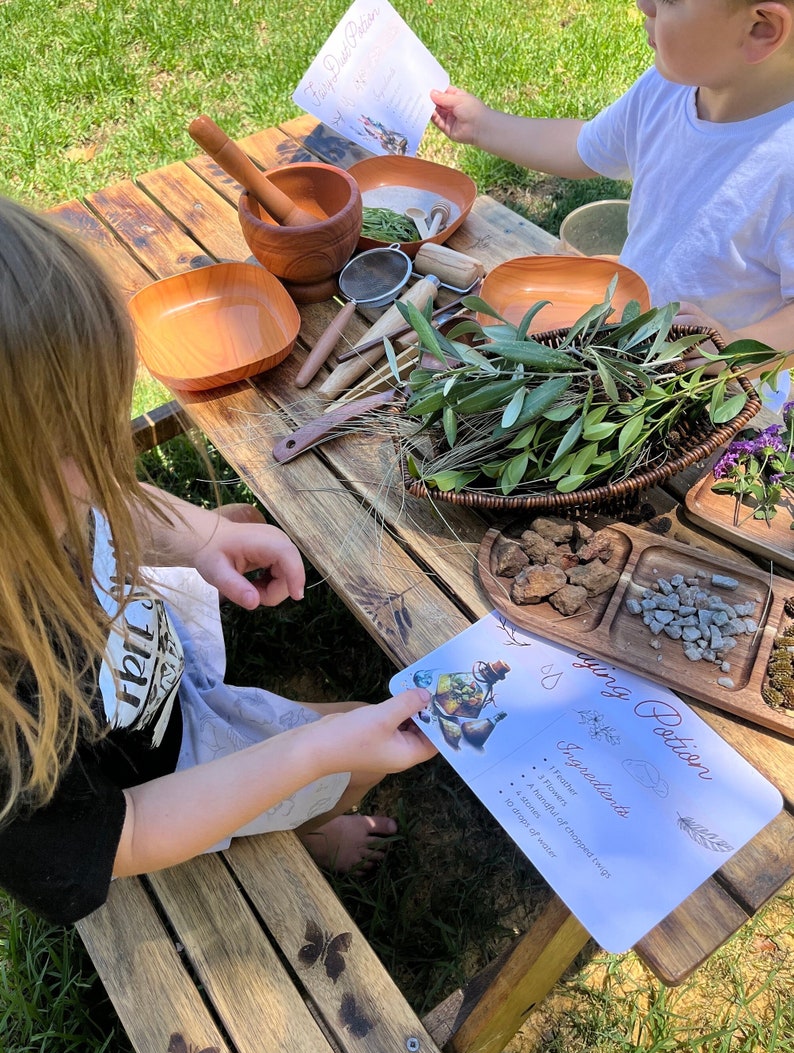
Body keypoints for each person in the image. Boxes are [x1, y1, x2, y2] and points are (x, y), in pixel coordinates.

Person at [0, 194, 437, 927]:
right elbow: (121, 835)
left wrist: (201, 536)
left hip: (143, 677)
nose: (105, 463)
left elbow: (106, 499)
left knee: (233, 521)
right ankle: (313, 826)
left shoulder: (42, 505)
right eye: (69, 450)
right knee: (361, 743)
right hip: (160, 781)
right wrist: (313, 756)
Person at [430, 0, 794, 381]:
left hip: (714, 395)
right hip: (628, 353)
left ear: (760, 28)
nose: (643, 4)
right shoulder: (667, 90)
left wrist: (731, 350)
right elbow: (582, 147)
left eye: (669, 0)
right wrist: (483, 125)